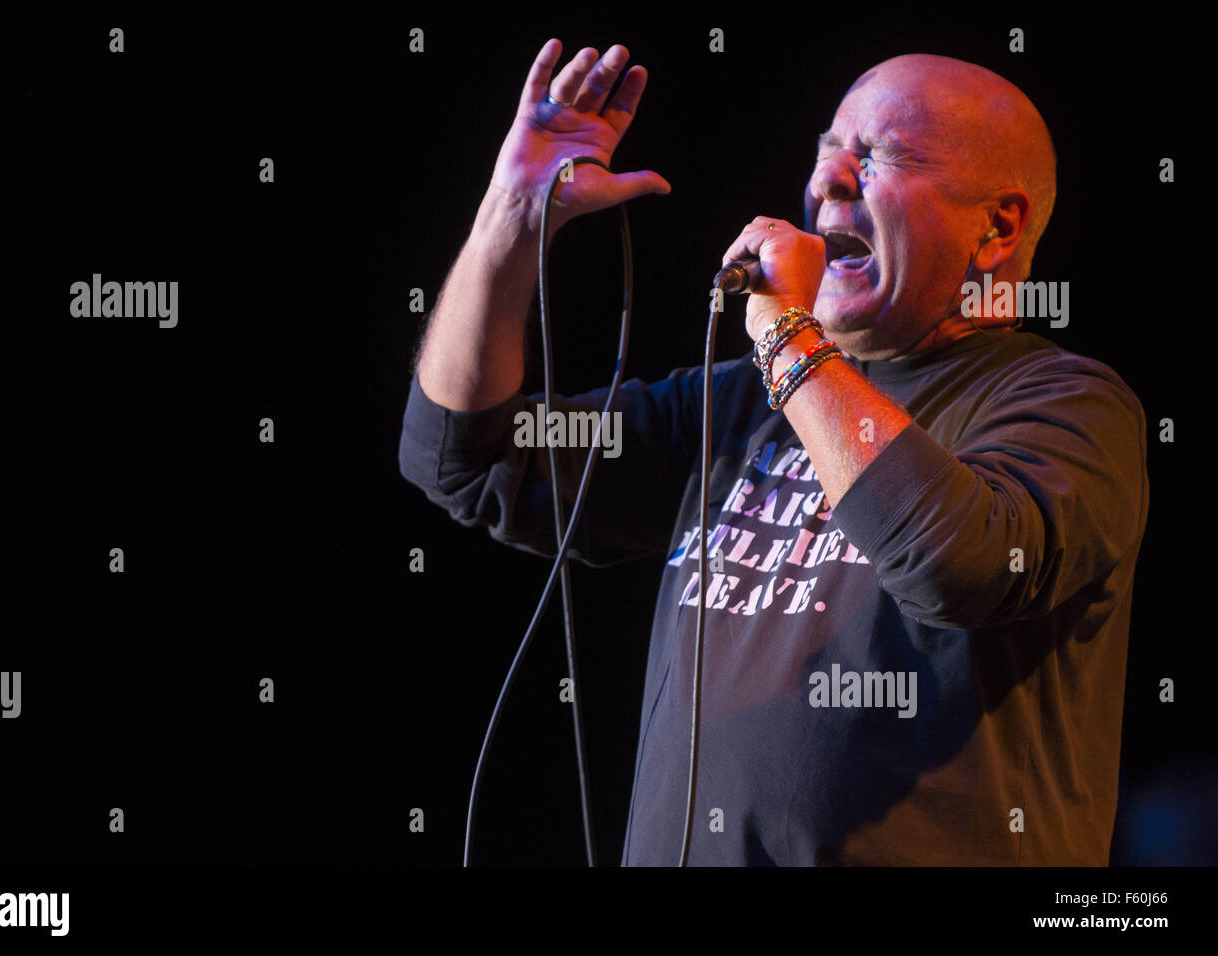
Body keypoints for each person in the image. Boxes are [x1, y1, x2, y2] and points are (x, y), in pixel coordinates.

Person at [398, 39, 1149, 865]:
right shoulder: (737, 403)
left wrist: (788, 340)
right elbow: (469, 459)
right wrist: (511, 214)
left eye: (878, 156)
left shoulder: (1067, 406)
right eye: (827, 151)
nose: (827, 180)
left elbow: (953, 562)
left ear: (997, 227)